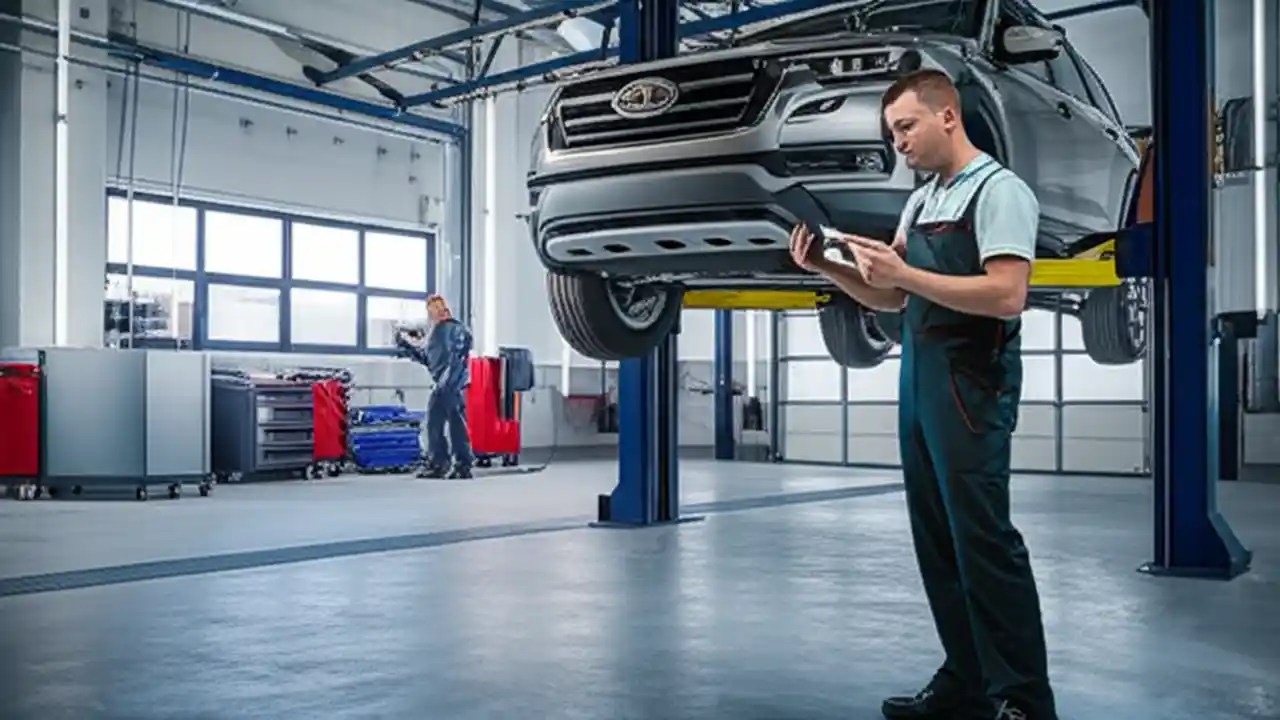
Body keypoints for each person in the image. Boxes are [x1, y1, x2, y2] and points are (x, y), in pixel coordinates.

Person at [788, 69, 1057, 720]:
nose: (898, 143)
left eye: (905, 127)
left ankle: (1022, 698)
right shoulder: (922, 200)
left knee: (983, 539)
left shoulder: (1000, 192)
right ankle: (965, 681)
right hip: (922, 371)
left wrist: (905, 270)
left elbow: (1006, 294)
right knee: (935, 536)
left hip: (971, 376)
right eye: (892, 132)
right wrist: (828, 266)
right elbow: (893, 296)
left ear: (947, 117)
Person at [395, 295, 475, 479]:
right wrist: (406, 345)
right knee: (433, 424)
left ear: (445, 310)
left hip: (452, 384)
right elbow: (427, 358)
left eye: (438, 309)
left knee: (456, 424)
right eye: (432, 310)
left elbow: (459, 352)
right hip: (441, 385)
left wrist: (449, 379)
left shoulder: (455, 329)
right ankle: (439, 463)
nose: (435, 313)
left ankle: (463, 465)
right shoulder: (434, 334)